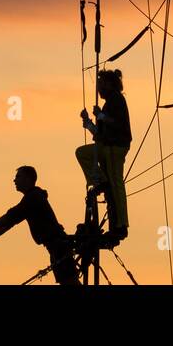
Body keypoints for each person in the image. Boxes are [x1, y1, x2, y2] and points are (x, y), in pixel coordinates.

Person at [0, 166, 79, 285]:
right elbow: (8, 224)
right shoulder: (31, 197)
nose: (14, 180)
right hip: (56, 248)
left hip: (59, 246)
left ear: (28, 179)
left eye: (18, 177)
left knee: (70, 283)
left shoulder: (33, 197)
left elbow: (9, 217)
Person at [75, 69, 131, 247]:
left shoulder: (116, 99)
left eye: (101, 83)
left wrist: (100, 116)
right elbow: (100, 133)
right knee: (83, 153)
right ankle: (99, 180)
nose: (99, 87)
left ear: (110, 84)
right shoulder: (107, 104)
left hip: (116, 147)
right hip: (107, 145)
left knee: (116, 184)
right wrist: (89, 122)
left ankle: (121, 223)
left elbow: (117, 123)